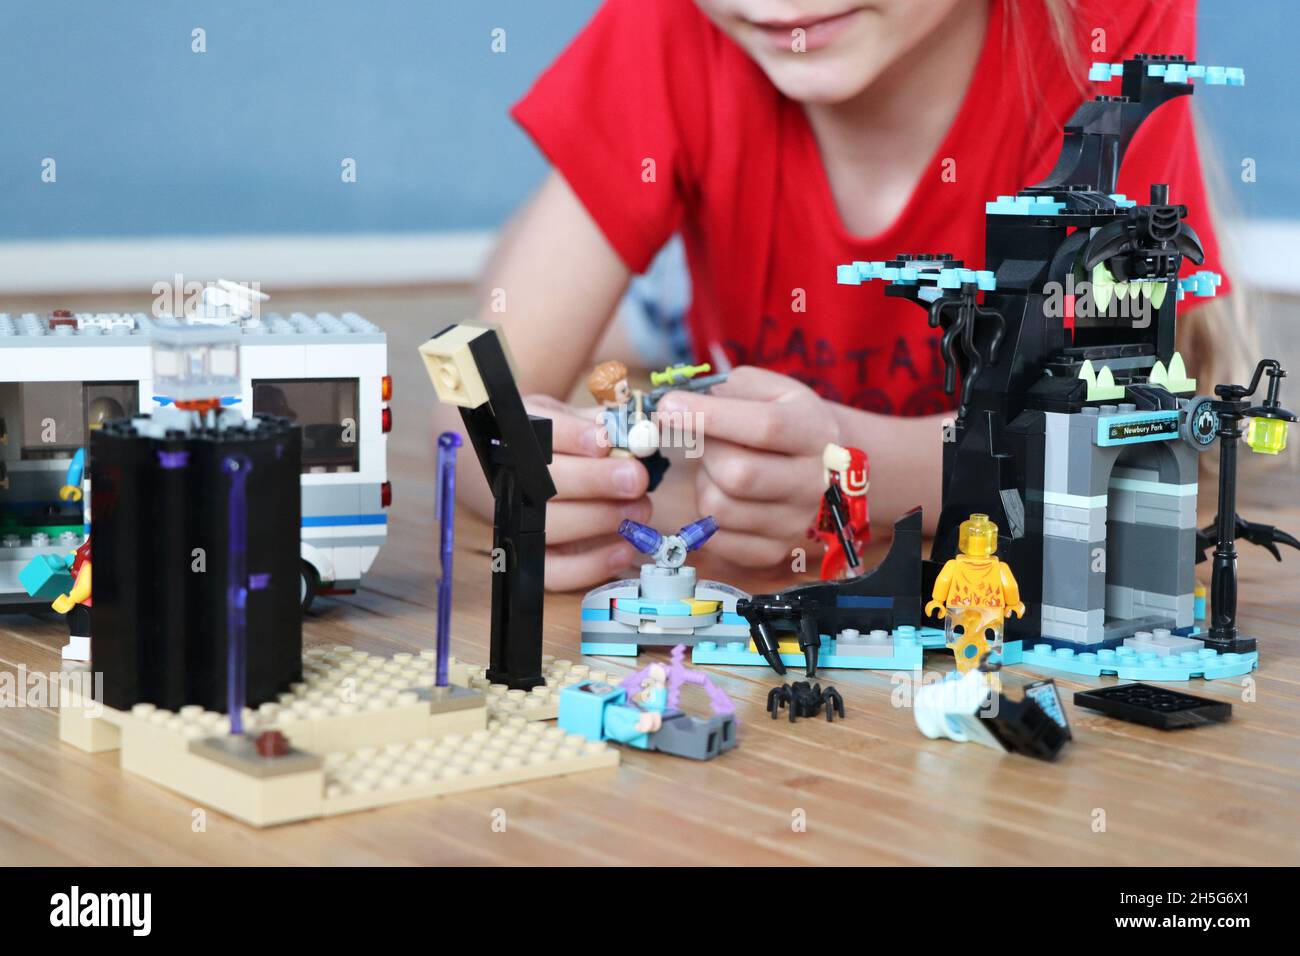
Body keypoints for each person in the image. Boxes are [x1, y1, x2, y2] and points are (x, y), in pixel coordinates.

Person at [452, 0, 1232, 591]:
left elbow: (1123, 433)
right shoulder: (677, 23)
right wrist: (511, 461)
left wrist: (849, 468)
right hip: (708, 328)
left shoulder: (1102, 30)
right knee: (645, 348)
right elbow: (467, 394)